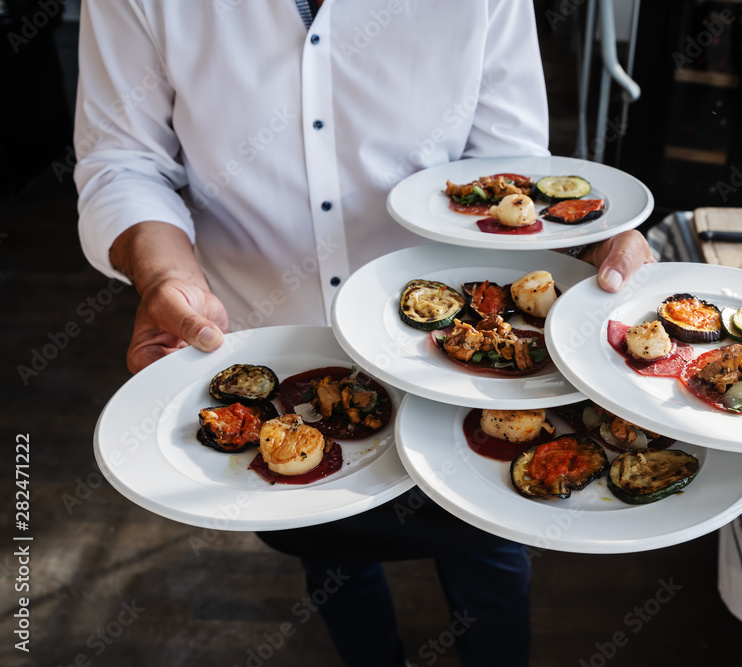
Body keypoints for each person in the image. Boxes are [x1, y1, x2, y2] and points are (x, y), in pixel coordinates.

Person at [75, 1, 655, 665]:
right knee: (334, 564)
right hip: (275, 353)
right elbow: (123, 161)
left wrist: (577, 240)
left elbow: (507, 164)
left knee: (491, 559)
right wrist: (164, 277)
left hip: (459, 373)